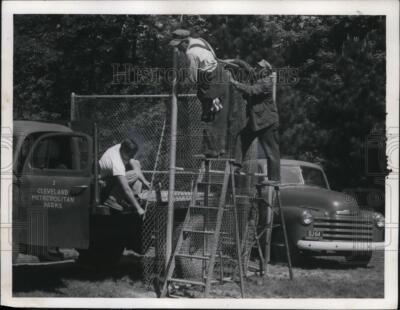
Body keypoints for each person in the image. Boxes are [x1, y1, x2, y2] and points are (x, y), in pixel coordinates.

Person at [169, 29, 233, 158]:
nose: (178, 49)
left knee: (207, 116)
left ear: (185, 42)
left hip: (212, 82)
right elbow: (214, 57)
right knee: (217, 115)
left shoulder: (191, 53)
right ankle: (219, 149)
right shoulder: (200, 41)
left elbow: (192, 79)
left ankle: (211, 150)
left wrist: (177, 84)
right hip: (219, 76)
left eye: (179, 45)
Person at [229, 59, 280, 181]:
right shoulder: (257, 75)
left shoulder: (267, 82)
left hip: (267, 123)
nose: (256, 69)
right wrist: (228, 61)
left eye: (259, 67)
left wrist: (233, 82)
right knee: (242, 138)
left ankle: (274, 179)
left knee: (271, 153)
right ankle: (237, 165)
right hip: (256, 122)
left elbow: (251, 90)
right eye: (256, 66)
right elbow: (244, 65)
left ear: (265, 71)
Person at [99, 138, 151, 213]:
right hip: (103, 183)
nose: (132, 156)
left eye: (133, 154)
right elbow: (126, 188)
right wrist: (139, 209)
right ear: (124, 151)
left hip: (110, 177)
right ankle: (112, 199)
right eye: (131, 155)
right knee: (134, 174)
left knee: (136, 162)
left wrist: (144, 181)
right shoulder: (117, 162)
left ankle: (135, 198)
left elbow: (134, 163)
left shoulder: (121, 147)